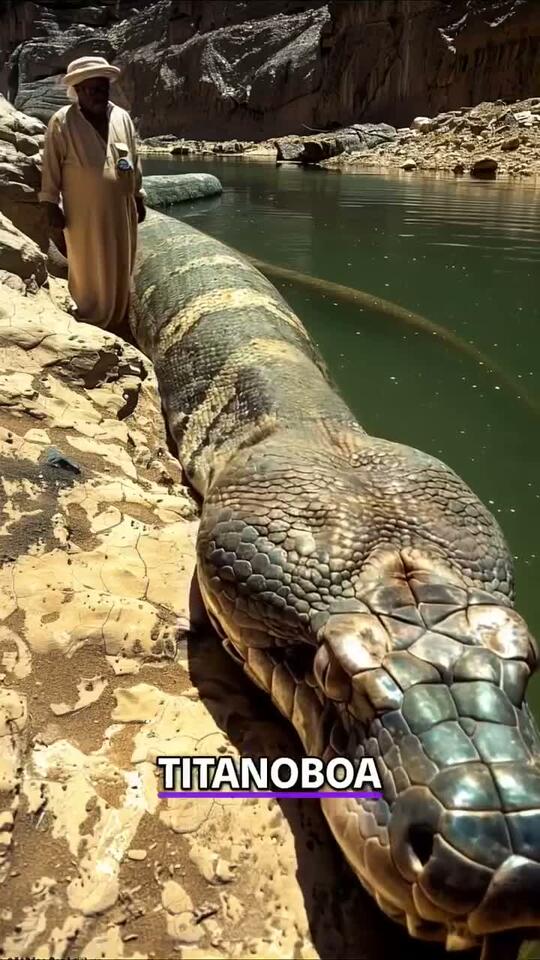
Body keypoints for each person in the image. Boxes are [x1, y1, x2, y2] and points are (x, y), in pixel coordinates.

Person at [39, 55, 146, 332]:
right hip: (84, 213)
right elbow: (51, 166)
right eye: (92, 90)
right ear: (78, 90)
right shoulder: (63, 122)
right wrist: (50, 204)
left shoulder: (121, 117)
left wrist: (138, 195)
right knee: (89, 263)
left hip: (121, 209)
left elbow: (133, 160)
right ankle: (89, 315)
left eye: (103, 88)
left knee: (121, 260)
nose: (99, 94)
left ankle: (119, 316)